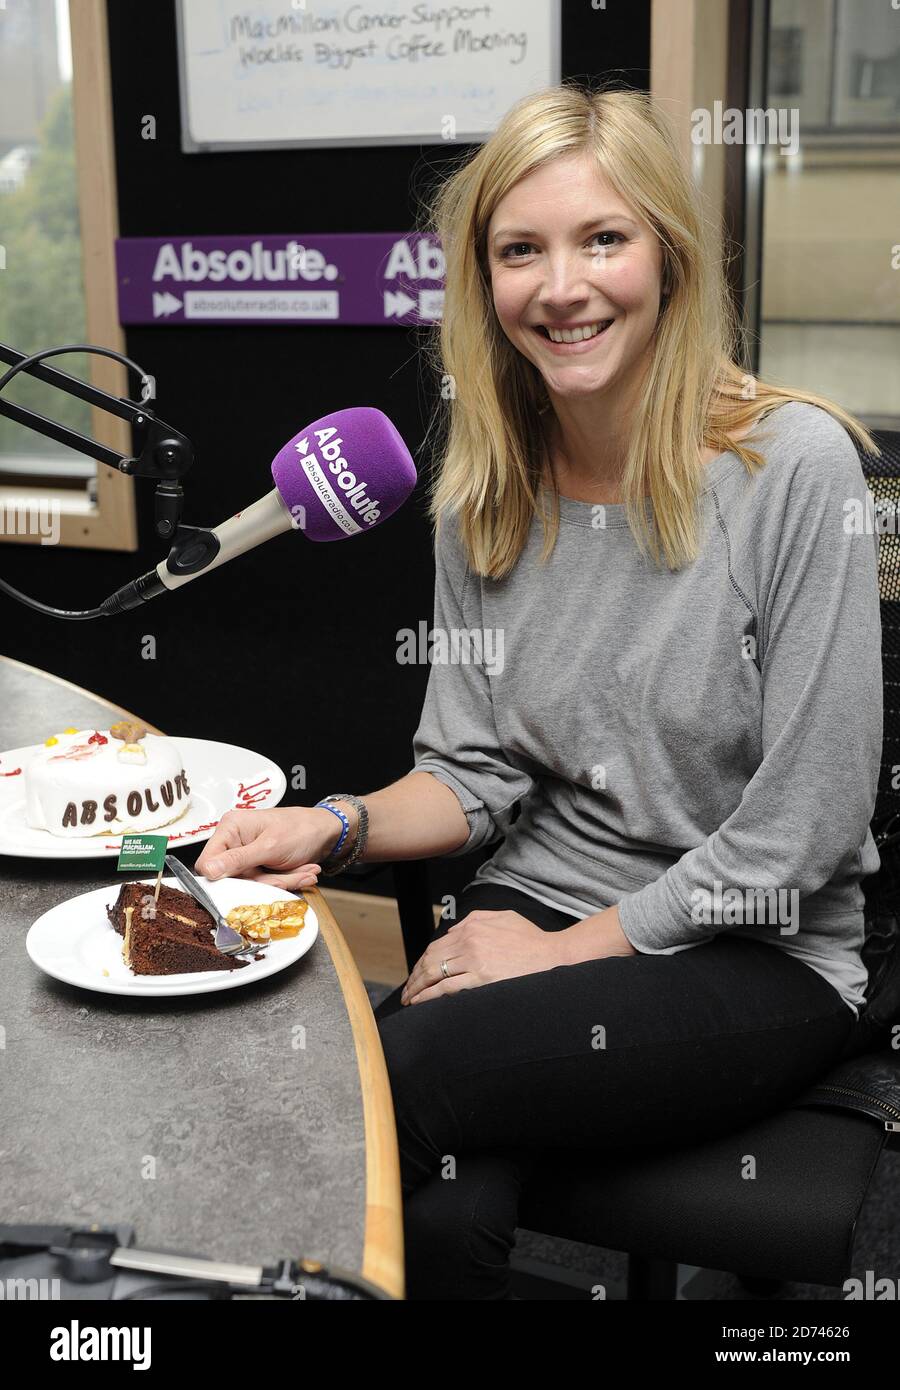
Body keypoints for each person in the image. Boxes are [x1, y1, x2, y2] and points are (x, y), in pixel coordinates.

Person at [196, 82, 883, 1300]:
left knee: (376, 1089)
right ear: (484, 280)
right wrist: (334, 823)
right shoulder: (486, 489)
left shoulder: (796, 468)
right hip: (541, 900)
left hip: (757, 951)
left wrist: (561, 954)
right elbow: (474, 770)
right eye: (521, 250)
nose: (561, 287)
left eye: (602, 239)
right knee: (434, 1220)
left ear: (667, 256)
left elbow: (803, 834)